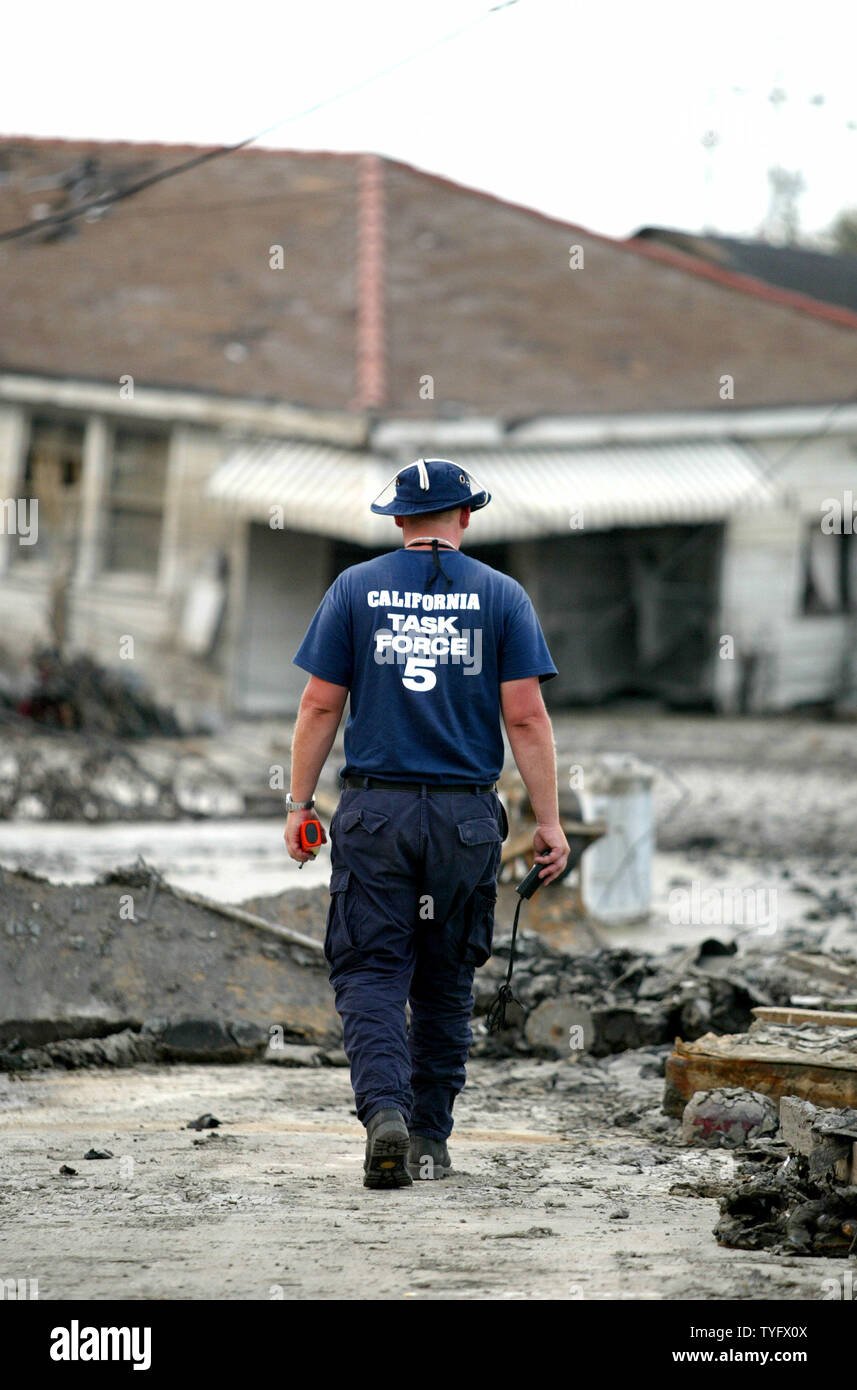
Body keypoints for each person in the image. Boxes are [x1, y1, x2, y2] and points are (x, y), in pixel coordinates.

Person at [284, 458, 569, 1189]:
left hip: (374, 813)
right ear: (465, 516)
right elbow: (526, 717)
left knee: (372, 970)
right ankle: (430, 1142)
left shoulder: (353, 588)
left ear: (398, 520)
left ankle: (384, 1112)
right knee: (444, 983)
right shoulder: (503, 597)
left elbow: (320, 705)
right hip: (465, 818)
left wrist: (297, 804)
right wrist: (549, 822)